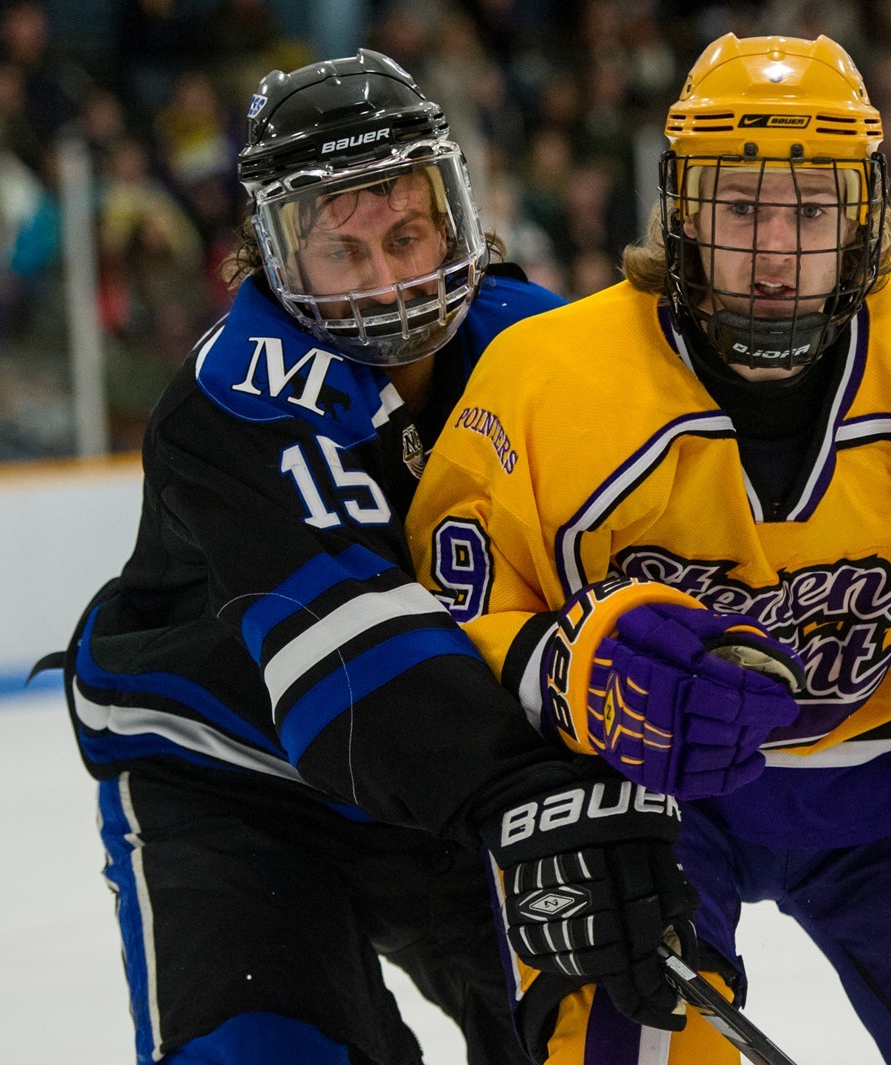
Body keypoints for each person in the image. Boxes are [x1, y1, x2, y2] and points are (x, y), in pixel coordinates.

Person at [409, 33, 891, 1065]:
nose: (775, 250)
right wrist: (575, 668)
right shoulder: (544, 382)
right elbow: (455, 601)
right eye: (741, 207)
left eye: (811, 211)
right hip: (644, 788)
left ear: (864, 214)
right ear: (681, 207)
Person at [51, 50, 693, 1065]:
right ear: (274, 255)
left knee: (616, 1033)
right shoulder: (232, 402)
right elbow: (353, 655)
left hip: (464, 760)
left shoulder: (542, 348)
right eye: (343, 252)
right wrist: (532, 793)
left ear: (454, 217)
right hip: (232, 779)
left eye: (404, 236)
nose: (388, 282)